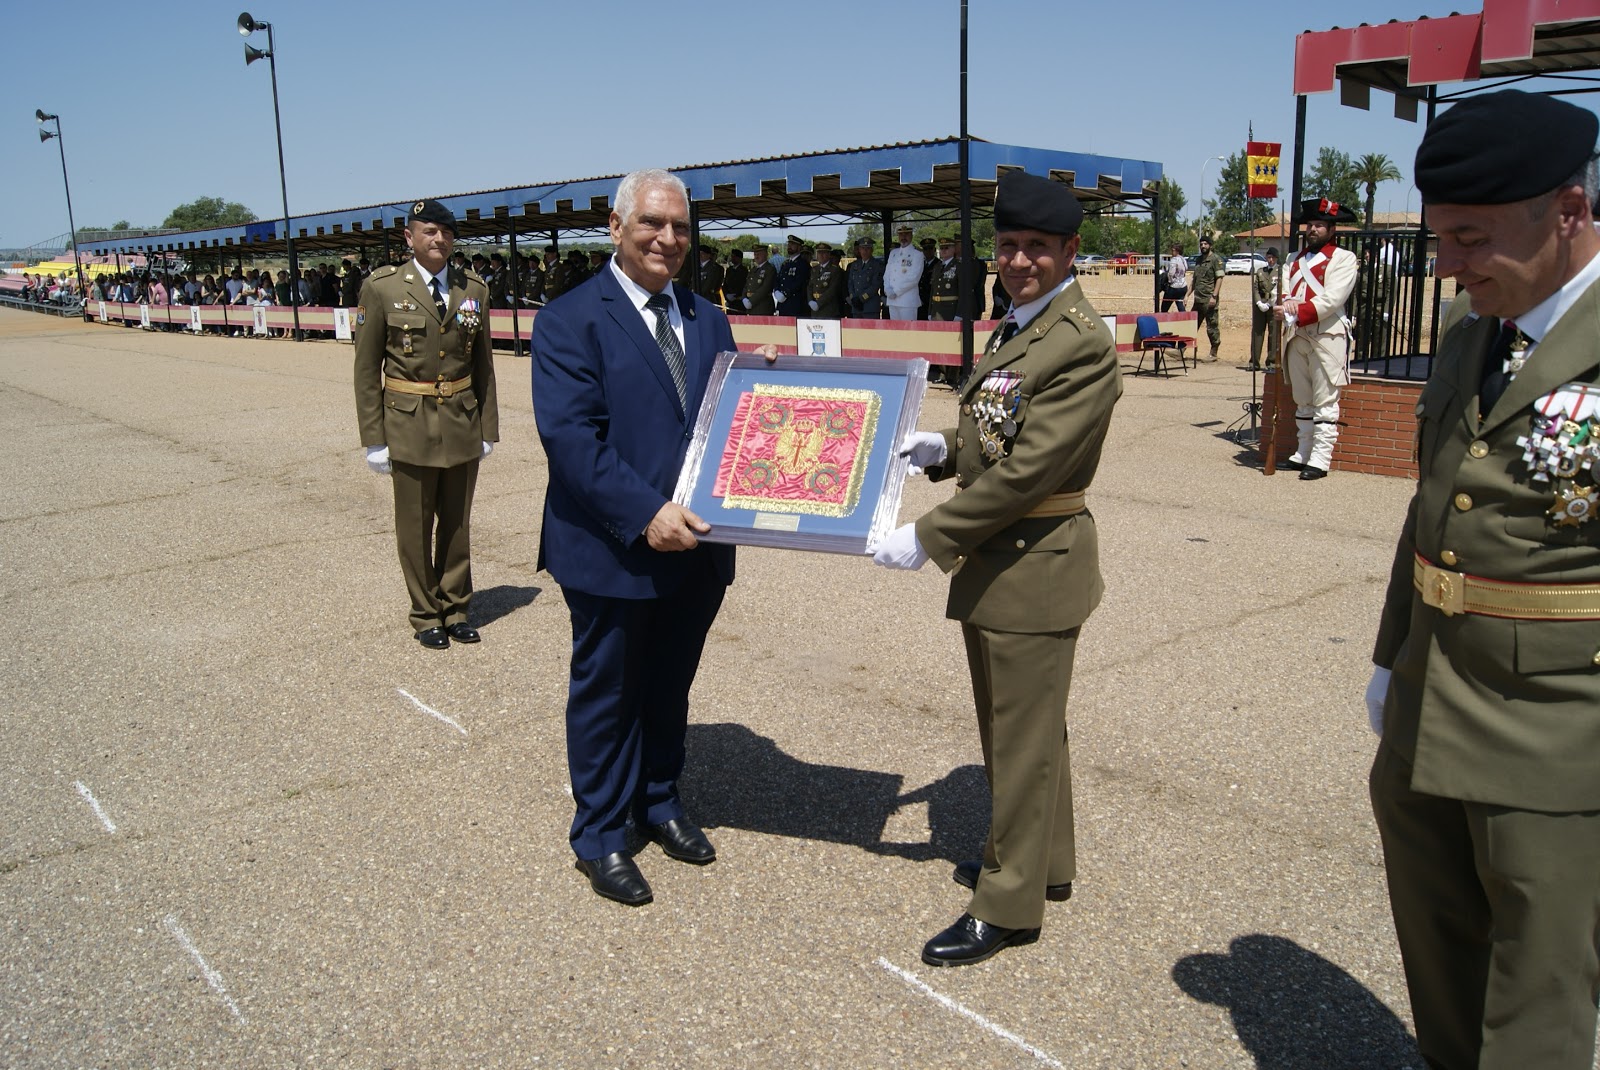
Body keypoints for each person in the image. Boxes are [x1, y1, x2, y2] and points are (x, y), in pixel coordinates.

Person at [1366, 88, 1600, 1070]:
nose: (1449, 268)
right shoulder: (1471, 337)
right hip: (1433, 690)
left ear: (1568, 210)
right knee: (1438, 933)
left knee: (1539, 984)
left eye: (1470, 238)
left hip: (1559, 717)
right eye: (1437, 240)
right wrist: (1389, 657)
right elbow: (1431, 509)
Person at [872, 171, 1122, 967]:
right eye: (1009, 246)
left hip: (1034, 561)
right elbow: (1000, 428)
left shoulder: (1079, 342)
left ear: (1069, 252)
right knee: (1028, 729)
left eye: (1037, 249)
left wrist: (929, 535)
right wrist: (946, 450)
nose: (1020, 260)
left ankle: (1007, 905)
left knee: (1018, 737)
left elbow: (1029, 475)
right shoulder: (1023, 325)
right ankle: (1046, 865)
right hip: (1004, 560)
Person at [530, 169, 741, 908]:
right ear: (615, 228)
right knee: (608, 692)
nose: (668, 239)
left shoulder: (708, 318)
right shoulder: (569, 319)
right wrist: (647, 510)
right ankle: (600, 834)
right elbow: (571, 440)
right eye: (652, 223)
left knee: (669, 684)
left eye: (680, 227)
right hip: (613, 546)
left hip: (700, 547)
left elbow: (726, 418)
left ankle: (659, 799)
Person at [353, 199, 499, 648]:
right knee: (415, 524)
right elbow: (366, 367)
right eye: (429, 231)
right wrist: (373, 438)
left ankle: (456, 608)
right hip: (408, 423)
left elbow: (483, 363)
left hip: (460, 418)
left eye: (446, 233)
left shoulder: (473, 288)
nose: (439, 240)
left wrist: (487, 429)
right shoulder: (381, 288)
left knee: (456, 523)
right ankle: (425, 614)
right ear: (409, 237)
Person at [1279, 199, 1359, 479]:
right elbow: (1285, 290)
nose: (1313, 230)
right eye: (1310, 225)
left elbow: (1333, 299)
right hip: (1296, 334)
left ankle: (1321, 457)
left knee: (1325, 399)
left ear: (1331, 229)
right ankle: (1303, 451)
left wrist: (1295, 310)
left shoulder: (1344, 259)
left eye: (1320, 225)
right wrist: (1284, 306)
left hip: (1326, 336)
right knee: (1303, 399)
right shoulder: (1292, 260)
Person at [1188, 236, 1224, 361]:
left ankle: (1213, 352)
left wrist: (1214, 296)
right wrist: (1187, 295)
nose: (1203, 246)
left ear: (1210, 245)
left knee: (1212, 327)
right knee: (1191, 326)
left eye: (1205, 244)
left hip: (1209, 300)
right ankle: (1182, 349)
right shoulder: (1199, 260)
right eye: (1201, 244)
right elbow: (1194, 280)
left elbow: (1219, 279)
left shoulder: (1216, 260)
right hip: (1198, 300)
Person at [1248, 247, 1280, 371]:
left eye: (1273, 258)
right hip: (1260, 305)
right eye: (1269, 257)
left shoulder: (1280, 271)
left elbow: (1279, 288)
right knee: (1257, 333)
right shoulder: (1261, 271)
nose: (1271, 260)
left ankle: (1271, 363)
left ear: (1277, 258)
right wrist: (1258, 302)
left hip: (1273, 306)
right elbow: (1255, 288)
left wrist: (1271, 303)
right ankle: (1254, 362)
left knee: (1273, 335)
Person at [884, 225, 924, 320]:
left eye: (906, 234)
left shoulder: (917, 254)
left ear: (911, 236)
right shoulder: (893, 253)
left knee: (908, 332)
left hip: (907, 301)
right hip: (892, 300)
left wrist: (896, 292)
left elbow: (913, 278)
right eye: (901, 234)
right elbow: (887, 274)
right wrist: (887, 289)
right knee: (895, 331)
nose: (903, 237)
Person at [806, 242, 845, 318]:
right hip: (815, 309)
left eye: (823, 253)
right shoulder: (814, 269)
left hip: (828, 309)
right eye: (819, 253)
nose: (821, 255)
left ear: (829, 255)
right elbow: (810, 286)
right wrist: (810, 300)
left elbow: (832, 290)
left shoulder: (834, 270)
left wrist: (819, 303)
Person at [847, 237, 884, 318]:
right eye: (862, 248)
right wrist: (853, 297)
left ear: (872, 250)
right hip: (856, 306)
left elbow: (875, 285)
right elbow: (850, 283)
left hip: (870, 306)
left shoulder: (877, 265)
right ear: (859, 250)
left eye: (868, 248)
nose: (865, 251)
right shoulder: (854, 265)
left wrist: (861, 299)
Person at [774, 234, 810, 317]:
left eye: (792, 245)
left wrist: (785, 293)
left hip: (795, 304)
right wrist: (776, 290)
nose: (789, 247)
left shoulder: (802, 264)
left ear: (799, 247)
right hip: (783, 304)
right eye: (788, 244)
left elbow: (799, 282)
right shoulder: (786, 264)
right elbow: (778, 279)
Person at [927, 237, 962, 321]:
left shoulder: (959, 266)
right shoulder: (937, 266)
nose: (943, 250)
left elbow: (963, 292)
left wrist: (959, 314)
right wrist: (930, 311)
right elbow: (933, 290)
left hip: (950, 310)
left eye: (946, 248)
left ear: (954, 249)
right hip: (936, 310)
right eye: (941, 248)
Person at [742, 243, 776, 314]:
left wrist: (751, 301)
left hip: (763, 307)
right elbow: (746, 285)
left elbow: (765, 288)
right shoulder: (753, 270)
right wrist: (744, 298)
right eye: (755, 254)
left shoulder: (770, 269)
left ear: (766, 254)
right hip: (750, 307)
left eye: (759, 253)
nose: (756, 256)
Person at [1160, 243, 1188, 312]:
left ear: (1177, 251)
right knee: (1180, 306)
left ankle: (1163, 321)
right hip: (1183, 286)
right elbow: (1186, 269)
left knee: (1164, 307)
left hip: (1174, 287)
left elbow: (1171, 273)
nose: (1172, 252)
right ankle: (1184, 320)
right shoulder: (1183, 259)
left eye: (1173, 250)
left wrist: (1169, 281)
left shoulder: (1174, 260)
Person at [721, 248, 747, 316]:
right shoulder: (729, 270)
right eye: (732, 256)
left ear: (739, 258)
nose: (732, 258)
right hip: (729, 301)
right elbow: (725, 284)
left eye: (734, 257)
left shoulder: (744, 271)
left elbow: (744, 285)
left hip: (739, 301)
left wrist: (736, 296)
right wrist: (726, 295)